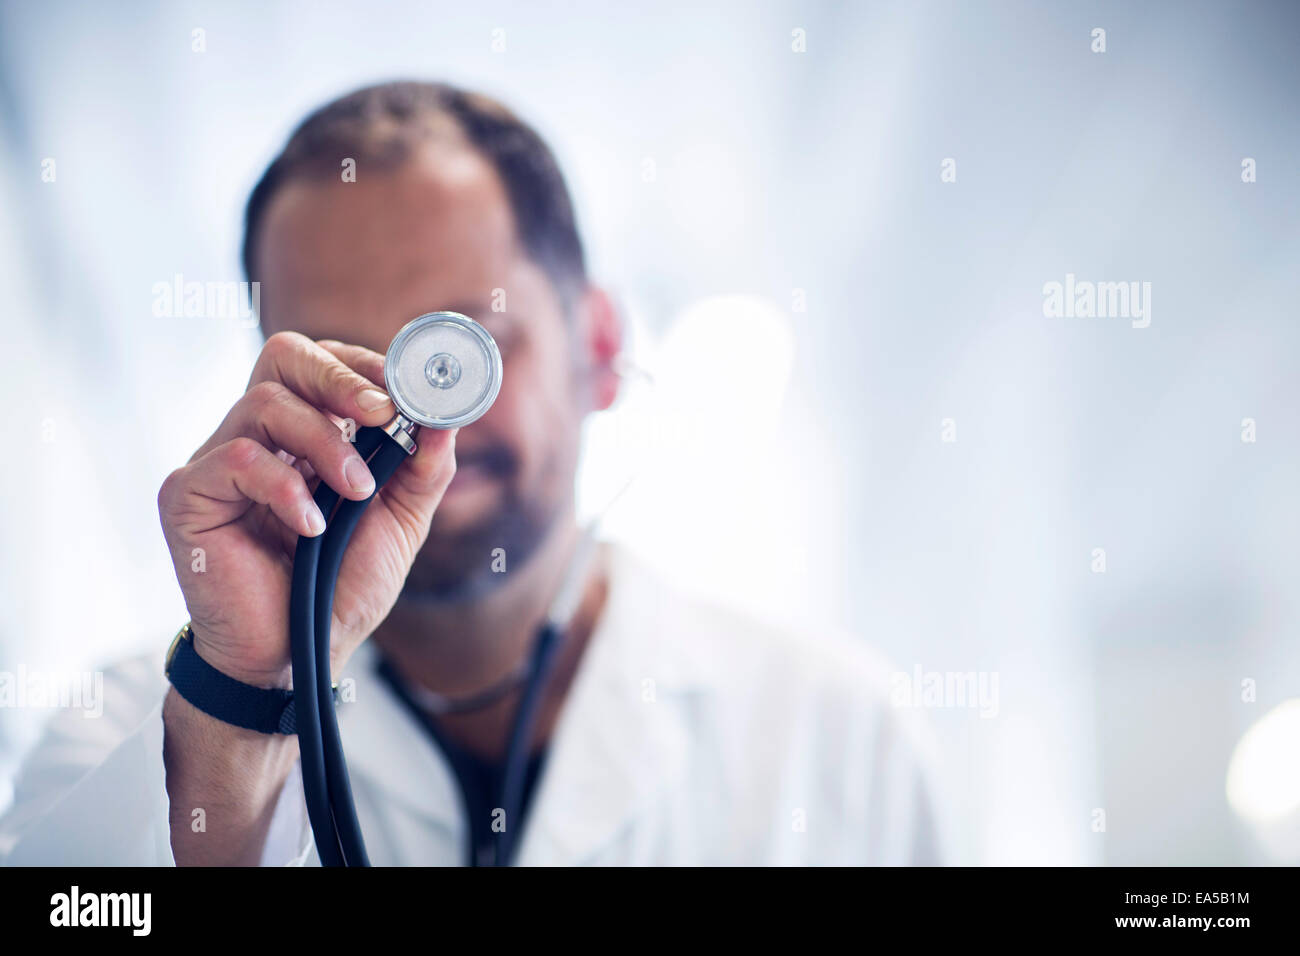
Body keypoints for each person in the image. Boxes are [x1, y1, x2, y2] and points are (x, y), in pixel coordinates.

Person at [0, 81, 945, 866]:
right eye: (343, 362)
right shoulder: (131, 734)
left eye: (464, 345)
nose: (409, 414)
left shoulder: (838, 736)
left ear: (602, 348)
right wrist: (250, 699)